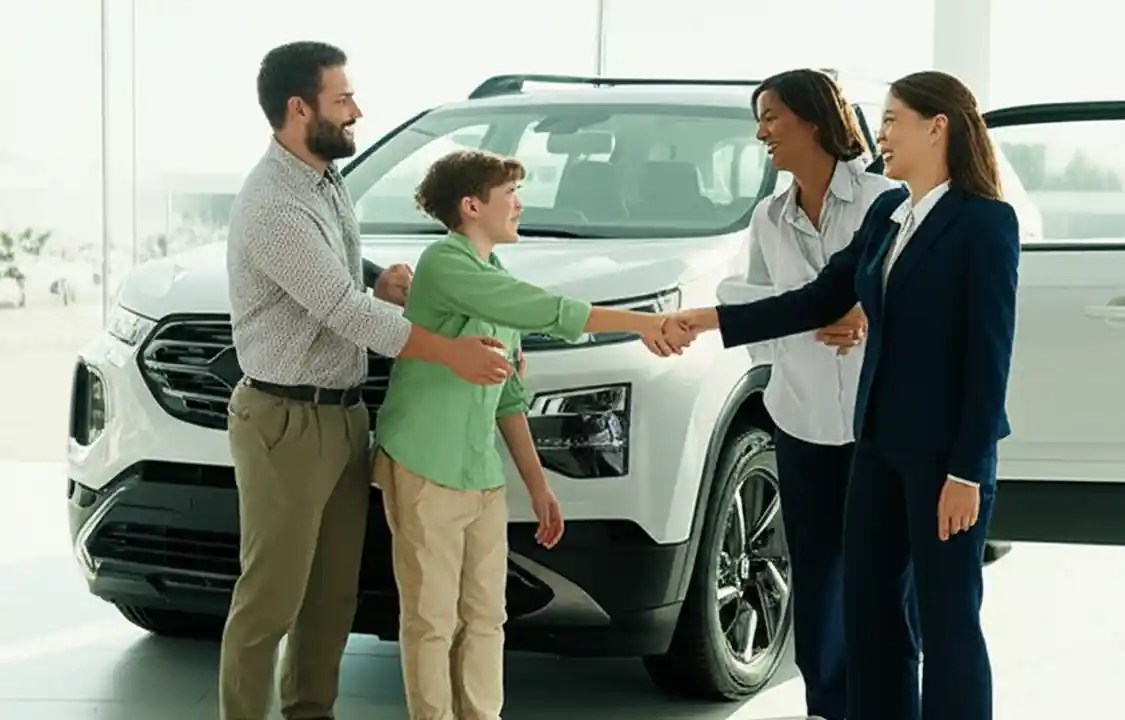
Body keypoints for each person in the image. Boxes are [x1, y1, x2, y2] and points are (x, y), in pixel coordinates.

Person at [671, 70, 1019, 720]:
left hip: (944, 458)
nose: (879, 133)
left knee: (947, 623)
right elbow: (820, 297)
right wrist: (711, 320)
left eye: (892, 120)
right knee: (871, 614)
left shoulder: (985, 223)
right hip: (877, 447)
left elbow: (989, 358)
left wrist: (967, 471)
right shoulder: (889, 215)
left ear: (937, 127)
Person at [219, 41, 513, 720]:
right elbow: (343, 311)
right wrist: (449, 352)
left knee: (331, 599)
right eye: (343, 99)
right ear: (300, 108)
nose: (357, 111)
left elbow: (335, 280)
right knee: (270, 602)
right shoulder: (273, 204)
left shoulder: (324, 180)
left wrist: (375, 280)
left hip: (343, 414)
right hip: (286, 423)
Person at [372, 148, 683, 720]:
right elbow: (543, 310)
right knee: (431, 619)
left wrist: (540, 489)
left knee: (487, 616)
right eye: (510, 193)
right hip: (423, 465)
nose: (520, 204)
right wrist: (646, 323)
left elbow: (509, 397)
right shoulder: (444, 264)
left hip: (479, 474)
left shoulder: (492, 273)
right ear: (472, 206)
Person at [714, 68, 902, 720]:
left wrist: (866, 313)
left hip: (876, 425)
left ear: (813, 120)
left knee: (880, 575)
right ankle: (826, 704)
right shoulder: (769, 217)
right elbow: (748, 299)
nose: (761, 133)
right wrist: (796, 345)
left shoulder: (886, 200)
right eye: (759, 120)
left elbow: (918, 294)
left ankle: (884, 703)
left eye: (771, 117)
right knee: (817, 574)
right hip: (800, 420)